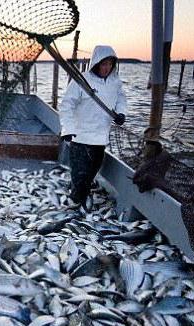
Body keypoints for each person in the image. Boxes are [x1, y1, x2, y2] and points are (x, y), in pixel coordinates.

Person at [58, 45, 127, 211]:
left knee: (92, 171)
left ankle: (80, 195)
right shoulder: (81, 81)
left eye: (110, 64)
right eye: (104, 64)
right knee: (80, 175)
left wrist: (121, 113)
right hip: (80, 137)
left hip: (100, 139)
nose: (107, 68)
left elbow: (121, 99)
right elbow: (67, 105)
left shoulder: (115, 82)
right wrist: (67, 128)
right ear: (96, 63)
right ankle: (75, 206)